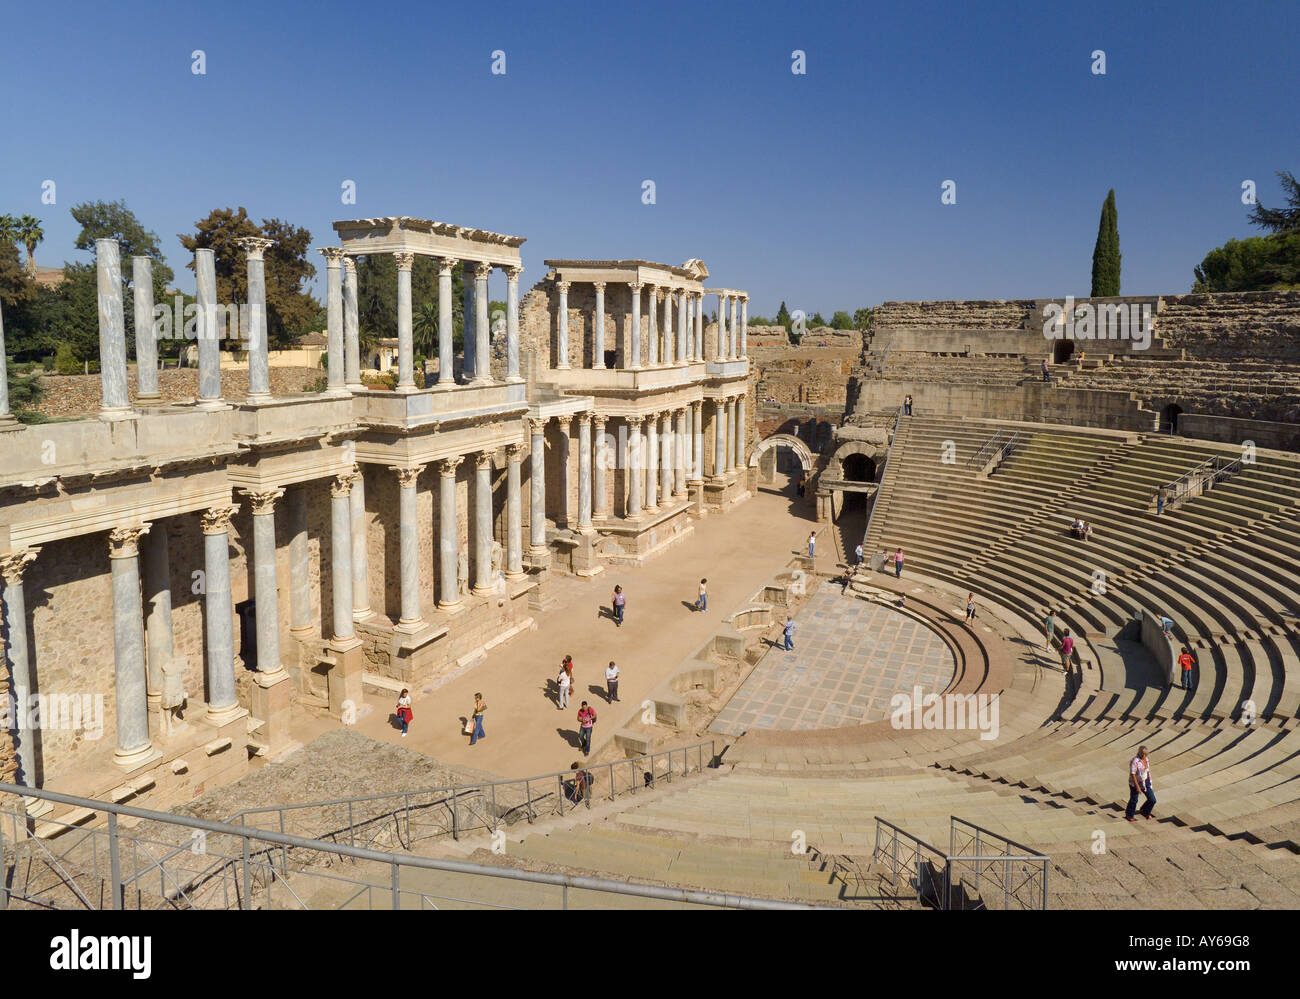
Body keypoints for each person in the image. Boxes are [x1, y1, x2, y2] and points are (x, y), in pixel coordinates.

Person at [1125, 746, 1156, 822]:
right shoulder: (1135, 761)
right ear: (1139, 752)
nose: (1144, 756)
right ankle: (1129, 815)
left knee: (1152, 800)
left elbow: (1147, 771)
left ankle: (1144, 811)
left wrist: (1150, 781)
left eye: (1146, 754)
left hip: (1145, 782)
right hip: (1136, 783)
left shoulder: (1146, 759)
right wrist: (1137, 787)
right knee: (1134, 800)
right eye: (1143, 754)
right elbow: (1133, 774)